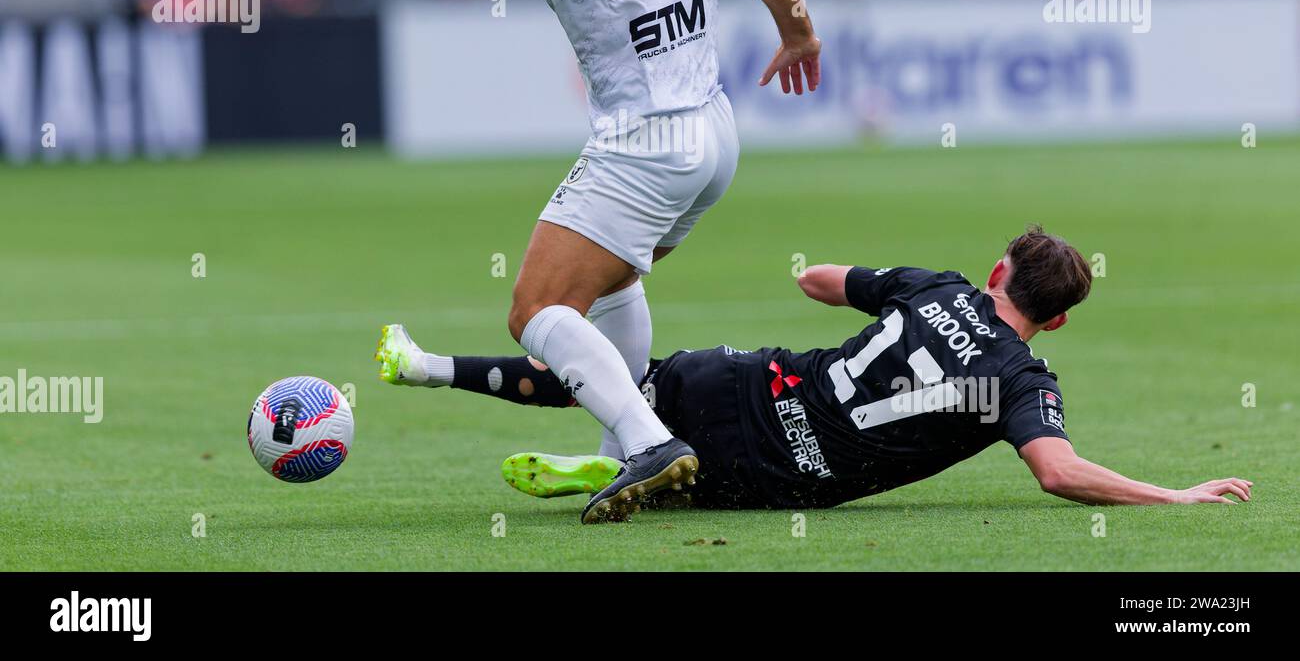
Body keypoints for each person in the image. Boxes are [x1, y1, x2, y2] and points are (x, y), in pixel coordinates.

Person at [210, 0, 822, 523]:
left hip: (643, 141)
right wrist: (798, 35)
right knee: (608, 285)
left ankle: (648, 441)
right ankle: (617, 454)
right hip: (717, 137)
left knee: (536, 309)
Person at [378, 226, 1252, 513]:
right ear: (1054, 316)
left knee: (610, 373)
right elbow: (1057, 472)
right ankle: (631, 459)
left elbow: (822, 282)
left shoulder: (935, 286)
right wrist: (1173, 496)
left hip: (746, 381)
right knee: (658, 440)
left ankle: (435, 369)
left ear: (996, 275)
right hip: (782, 469)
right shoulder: (1023, 382)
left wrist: (842, 285)